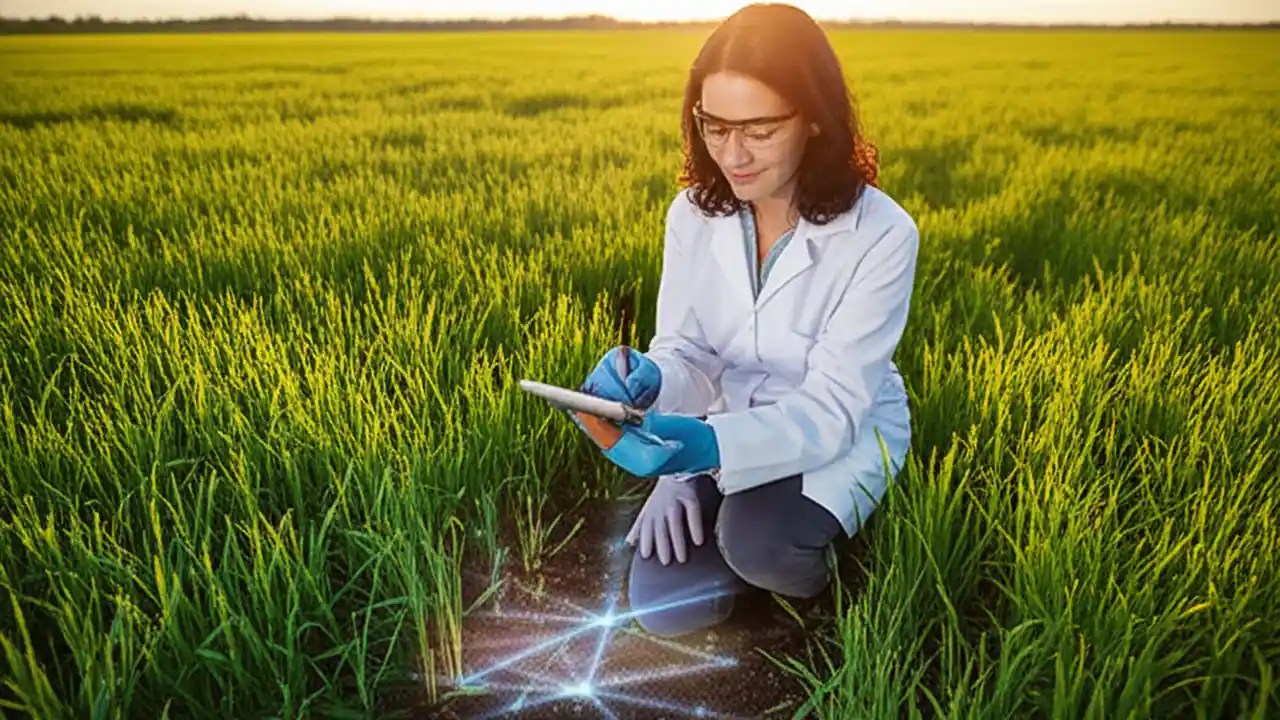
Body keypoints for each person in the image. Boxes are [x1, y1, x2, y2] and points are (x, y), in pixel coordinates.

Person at [574, 3, 918, 638]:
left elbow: (832, 411)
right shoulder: (692, 213)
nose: (733, 155)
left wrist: (708, 449)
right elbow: (688, 351)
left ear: (814, 117)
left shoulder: (883, 233)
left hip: (835, 430)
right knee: (665, 607)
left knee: (759, 543)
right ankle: (742, 551)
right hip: (731, 421)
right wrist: (650, 380)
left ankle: (811, 572)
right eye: (713, 126)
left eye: (759, 130)